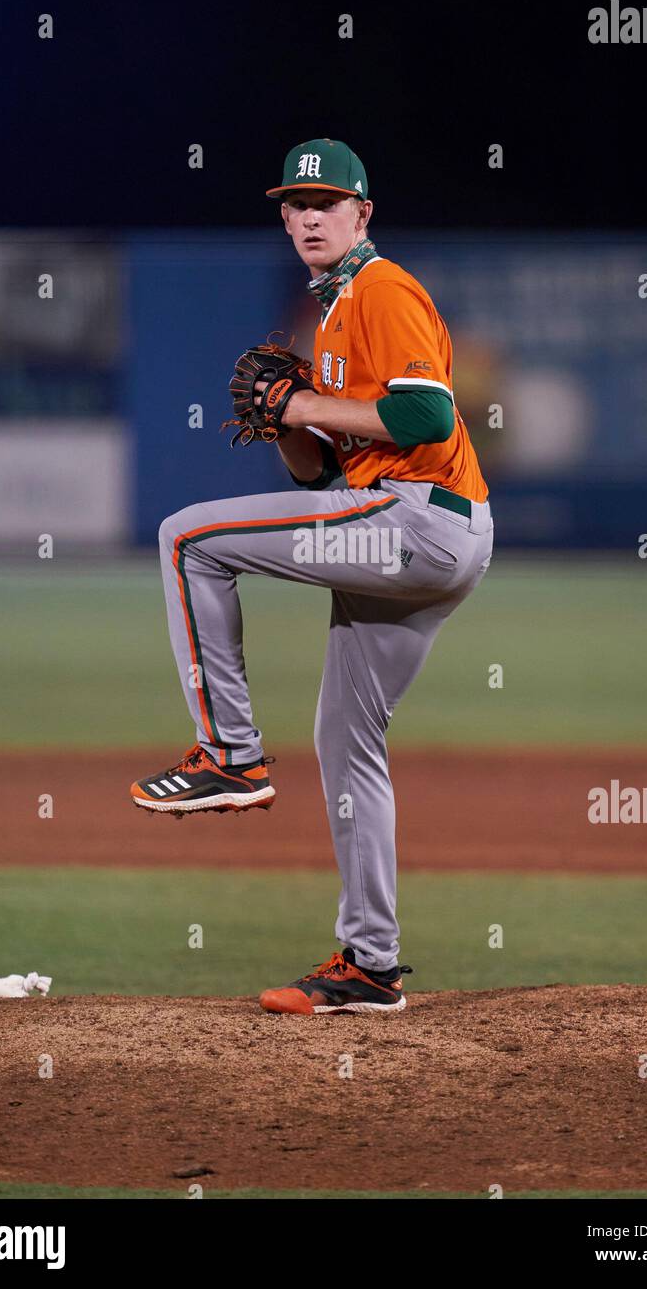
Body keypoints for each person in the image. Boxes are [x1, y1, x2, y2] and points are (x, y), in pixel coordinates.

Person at [131, 139, 493, 1015]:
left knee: (189, 538)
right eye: (295, 204)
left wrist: (295, 402)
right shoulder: (329, 317)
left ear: (363, 214)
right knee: (348, 744)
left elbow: (425, 413)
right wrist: (288, 419)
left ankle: (232, 756)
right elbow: (317, 479)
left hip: (418, 520)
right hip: (417, 533)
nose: (309, 216)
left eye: (328, 202)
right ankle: (370, 967)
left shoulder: (381, 288)